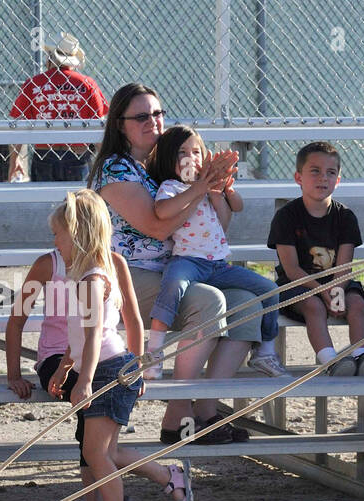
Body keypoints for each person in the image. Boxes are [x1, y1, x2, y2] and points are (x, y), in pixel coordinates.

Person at [19, 190, 193, 501]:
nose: (55, 241)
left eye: (59, 234)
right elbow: (79, 334)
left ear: (79, 235)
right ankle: (168, 476)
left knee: (96, 455)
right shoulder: (85, 274)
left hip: (108, 370)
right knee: (106, 453)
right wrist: (66, 364)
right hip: (109, 366)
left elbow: (96, 335)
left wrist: (83, 380)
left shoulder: (92, 279)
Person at [89, 83, 252, 445]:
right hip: (128, 277)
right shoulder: (116, 169)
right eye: (142, 116)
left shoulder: (164, 164)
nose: (154, 122)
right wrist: (198, 189)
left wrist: (216, 188)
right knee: (210, 303)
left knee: (247, 304)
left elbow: (214, 229)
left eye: (158, 114)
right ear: (120, 124)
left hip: (178, 268)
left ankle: (207, 411)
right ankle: (177, 416)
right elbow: (154, 226)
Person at [146, 125, 283, 378]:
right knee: (173, 284)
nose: (191, 158)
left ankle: (265, 351)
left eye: (196, 152)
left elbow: (234, 211)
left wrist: (222, 191)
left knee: (271, 290)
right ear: (168, 157)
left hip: (218, 265)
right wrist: (195, 190)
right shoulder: (172, 186)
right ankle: (154, 351)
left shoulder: (208, 188)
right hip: (187, 261)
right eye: (182, 152)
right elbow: (162, 212)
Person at [268, 141, 364, 375]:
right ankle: (331, 361)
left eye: (330, 173)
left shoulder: (345, 216)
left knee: (357, 304)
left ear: (338, 180)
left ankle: (363, 356)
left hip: (338, 282)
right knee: (314, 306)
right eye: (315, 171)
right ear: (299, 177)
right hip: (297, 285)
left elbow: (344, 266)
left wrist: (336, 292)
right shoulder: (286, 216)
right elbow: (292, 268)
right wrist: (324, 293)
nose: (323, 178)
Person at [7, 31, 109, 183]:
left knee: (45, 203)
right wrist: (104, 163)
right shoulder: (88, 84)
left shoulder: (34, 84)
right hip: (78, 155)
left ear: (50, 57)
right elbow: (99, 126)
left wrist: (15, 159)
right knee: (79, 202)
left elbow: (19, 125)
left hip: (44, 153)